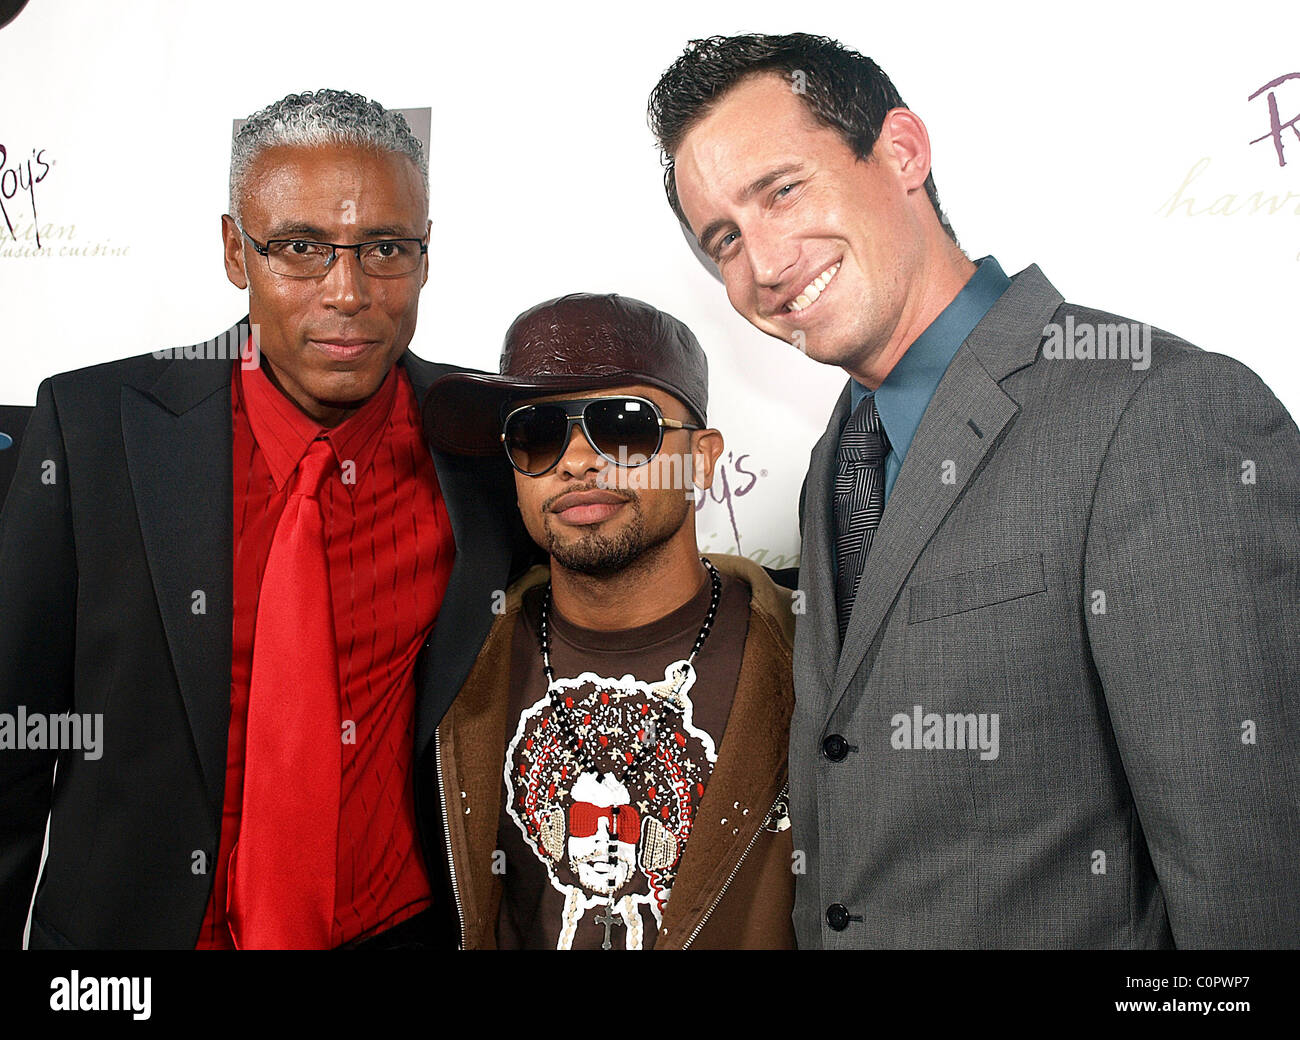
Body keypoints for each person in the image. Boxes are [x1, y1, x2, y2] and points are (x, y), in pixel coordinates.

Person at [648, 33, 1300, 948]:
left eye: (782, 190)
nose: (762, 263)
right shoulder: (840, 453)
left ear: (903, 152)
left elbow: (1254, 889)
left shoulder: (1164, 410)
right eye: (724, 238)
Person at [0, 89, 532, 949]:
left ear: (427, 257)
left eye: (386, 249)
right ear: (233, 252)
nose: (348, 292)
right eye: (299, 250)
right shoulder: (93, 428)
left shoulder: (488, 443)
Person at [422, 292, 796, 949]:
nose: (575, 461)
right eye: (536, 435)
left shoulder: (817, 656)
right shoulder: (453, 669)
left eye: (624, 426)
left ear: (702, 458)